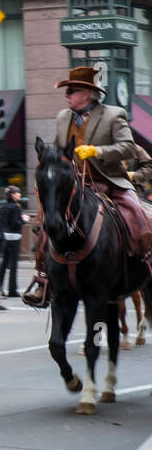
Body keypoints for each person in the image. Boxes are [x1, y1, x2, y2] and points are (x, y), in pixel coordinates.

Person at [24, 66, 149, 307]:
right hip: (72, 185)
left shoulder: (113, 115)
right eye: (67, 91)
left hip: (108, 180)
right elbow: (60, 149)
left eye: (71, 91)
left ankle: (141, 262)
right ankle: (43, 279)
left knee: (136, 214)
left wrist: (97, 151)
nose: (67, 95)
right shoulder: (63, 117)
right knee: (43, 223)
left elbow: (128, 148)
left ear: (86, 94)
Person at [0, 186, 28, 298]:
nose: (19, 195)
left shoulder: (2, 206)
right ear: (13, 195)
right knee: (13, 265)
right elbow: (15, 223)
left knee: (3, 264)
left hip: (5, 236)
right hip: (14, 237)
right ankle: (12, 290)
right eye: (18, 193)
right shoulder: (15, 207)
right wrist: (24, 220)